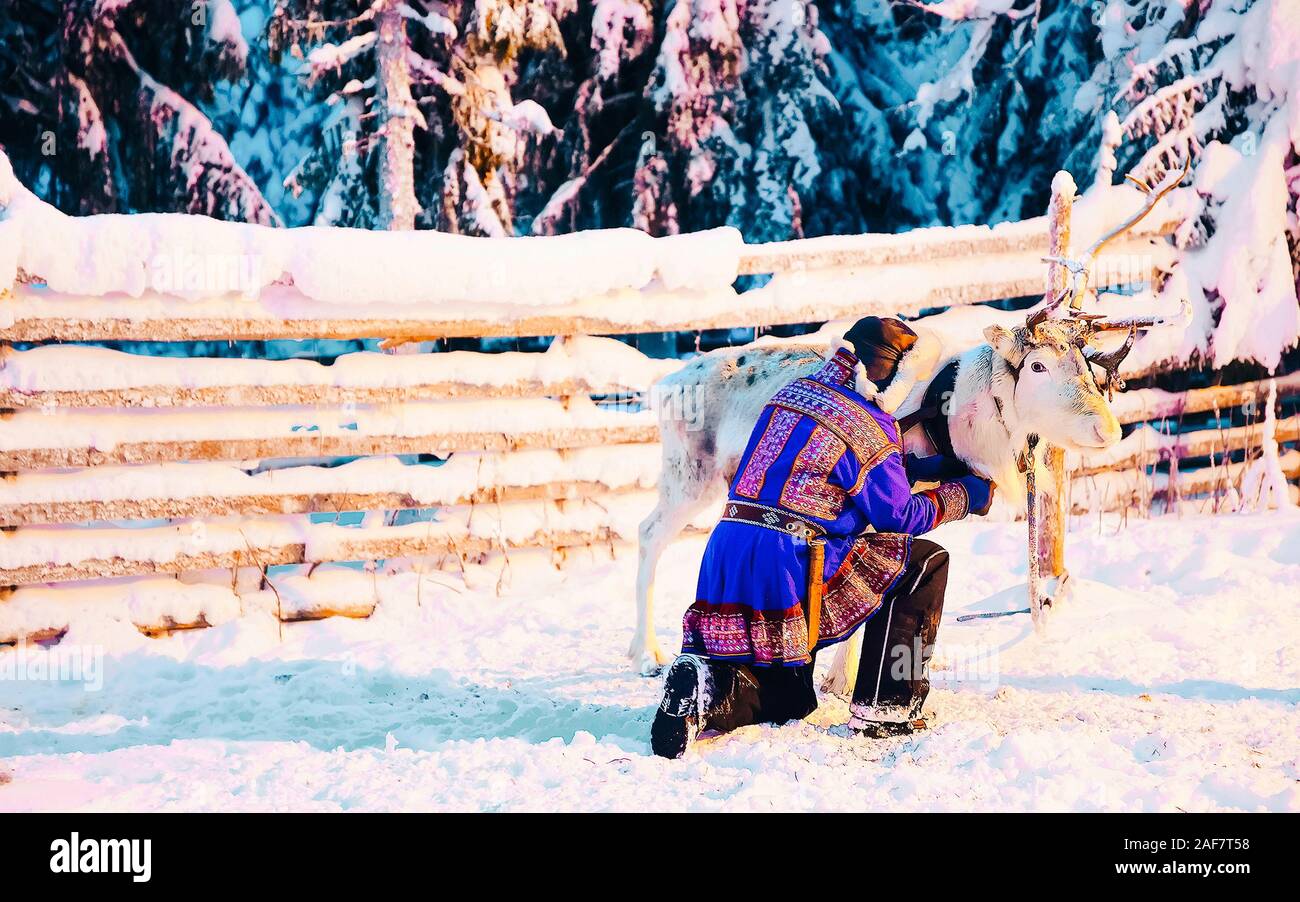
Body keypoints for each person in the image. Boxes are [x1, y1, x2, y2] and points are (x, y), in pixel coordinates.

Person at [651, 316, 995, 759]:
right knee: (924, 563)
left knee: (791, 699)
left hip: (729, 549)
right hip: (790, 561)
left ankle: (705, 688)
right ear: (892, 375)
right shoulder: (867, 424)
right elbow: (900, 515)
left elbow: (830, 470)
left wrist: (928, 469)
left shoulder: (790, 395)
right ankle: (886, 706)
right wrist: (965, 494)